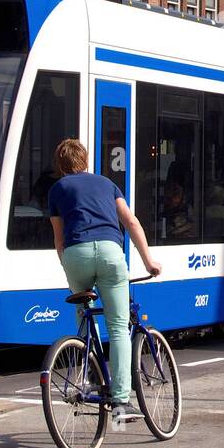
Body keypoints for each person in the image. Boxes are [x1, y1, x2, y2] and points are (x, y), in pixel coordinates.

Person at [48, 138, 161, 424]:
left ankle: (89, 368)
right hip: (111, 254)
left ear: (61, 166)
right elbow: (131, 222)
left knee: (83, 312)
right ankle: (121, 402)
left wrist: (69, 267)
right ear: (85, 161)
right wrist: (149, 262)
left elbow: (59, 240)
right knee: (119, 327)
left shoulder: (57, 189)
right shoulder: (107, 184)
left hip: (75, 254)